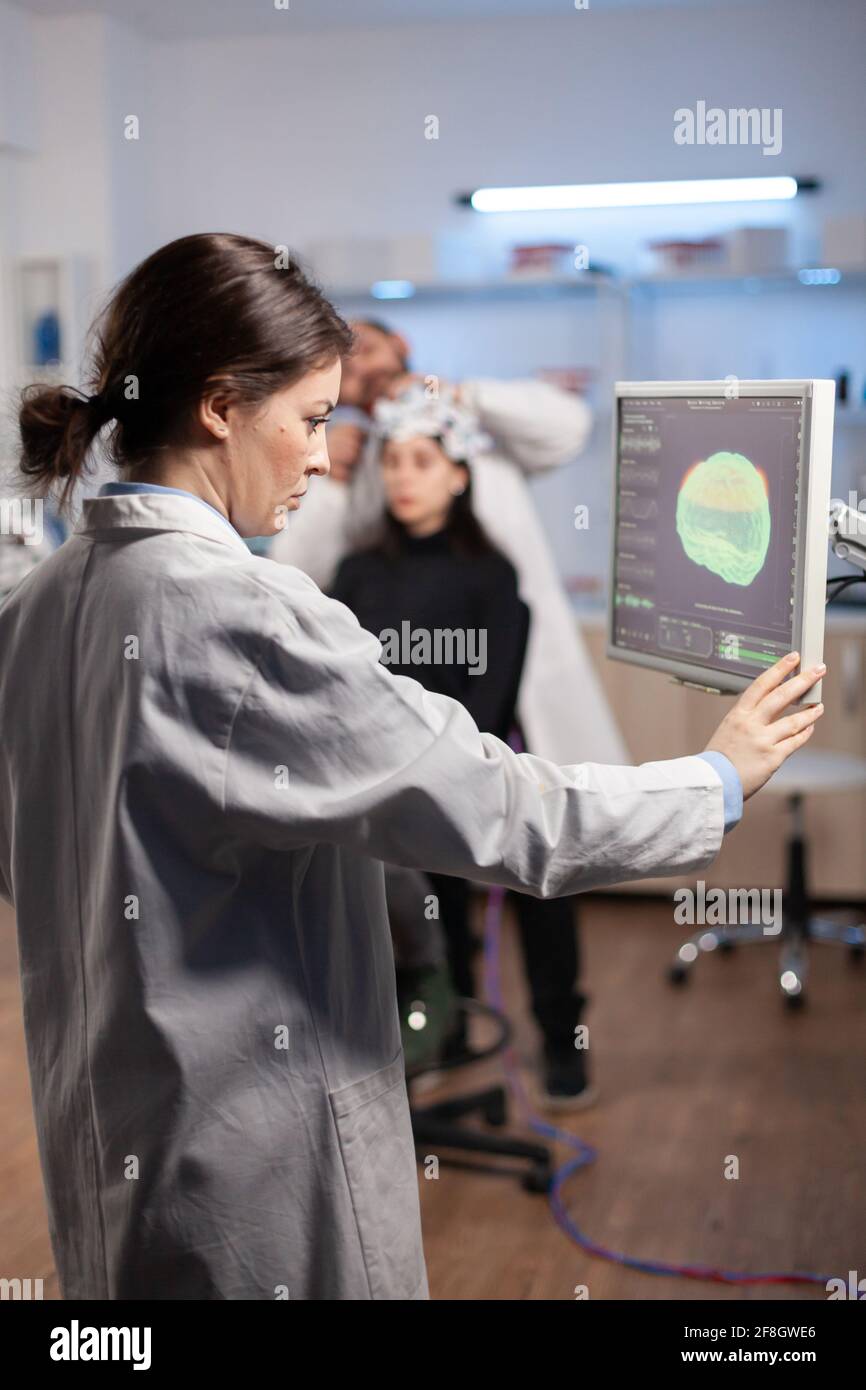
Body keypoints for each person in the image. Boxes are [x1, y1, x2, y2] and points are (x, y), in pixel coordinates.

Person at [0, 232, 824, 1301]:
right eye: (306, 420)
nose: (320, 456)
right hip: (254, 1157)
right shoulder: (241, 612)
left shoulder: (42, 601)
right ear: (217, 406)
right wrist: (713, 778)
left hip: (109, 1125)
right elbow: (503, 808)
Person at [330, 383, 592, 1103]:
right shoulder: (357, 574)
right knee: (429, 907)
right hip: (393, 779)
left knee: (542, 888)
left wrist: (443, 770)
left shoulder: (491, 574)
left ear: (459, 473)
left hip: (483, 765)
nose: (404, 477)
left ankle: (564, 1037)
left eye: (422, 461)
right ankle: (446, 1027)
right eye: (394, 463)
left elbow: (493, 693)